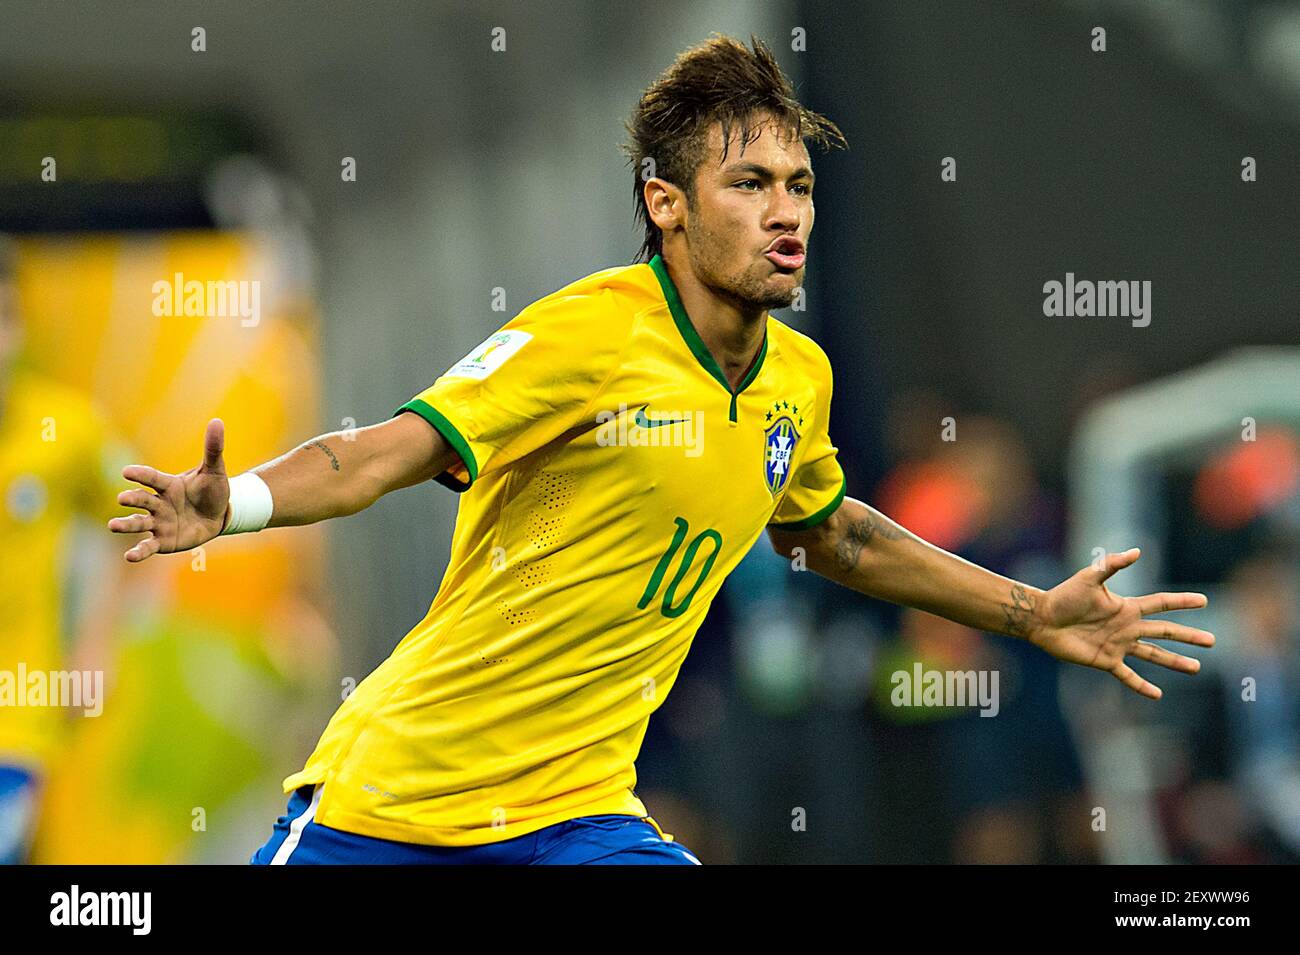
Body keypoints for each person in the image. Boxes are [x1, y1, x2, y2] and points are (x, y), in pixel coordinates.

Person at [108, 35, 1214, 865]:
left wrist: (1030, 612)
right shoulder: (589, 331)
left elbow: (833, 532)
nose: (787, 215)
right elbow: (378, 455)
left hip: (580, 815)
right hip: (392, 805)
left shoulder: (799, 377)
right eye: (749, 185)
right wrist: (235, 503)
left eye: (799, 187)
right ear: (665, 203)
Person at [0, 234, 133, 863]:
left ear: (18, 326)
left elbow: (135, 518)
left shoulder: (67, 430)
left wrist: (95, 642)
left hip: (15, 720)